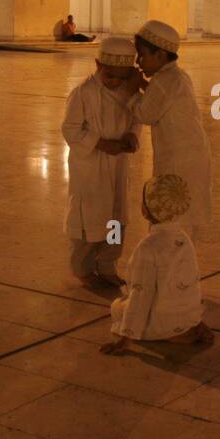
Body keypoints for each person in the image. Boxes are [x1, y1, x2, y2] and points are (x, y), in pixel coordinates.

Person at [101, 174, 214, 355]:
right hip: (189, 318)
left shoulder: (147, 248)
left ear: (145, 211)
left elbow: (141, 295)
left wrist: (126, 338)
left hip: (163, 323)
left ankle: (169, 334)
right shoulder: (185, 240)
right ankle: (186, 328)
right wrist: (194, 319)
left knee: (117, 308)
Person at [61, 36, 141, 290]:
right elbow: (70, 130)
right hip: (90, 167)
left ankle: (108, 265)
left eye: (122, 77)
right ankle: (83, 270)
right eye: (110, 76)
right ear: (98, 65)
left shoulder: (129, 93)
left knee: (116, 217)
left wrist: (132, 136)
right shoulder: (83, 93)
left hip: (117, 167)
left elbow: (136, 118)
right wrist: (102, 143)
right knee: (89, 220)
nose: (115, 82)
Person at [125, 20, 213, 244]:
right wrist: (145, 86)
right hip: (191, 155)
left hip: (179, 159)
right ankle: (180, 268)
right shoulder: (177, 76)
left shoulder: (164, 81)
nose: (138, 62)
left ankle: (171, 269)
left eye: (143, 55)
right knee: (183, 213)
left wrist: (132, 90)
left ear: (161, 56)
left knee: (172, 216)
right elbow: (160, 97)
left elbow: (145, 114)